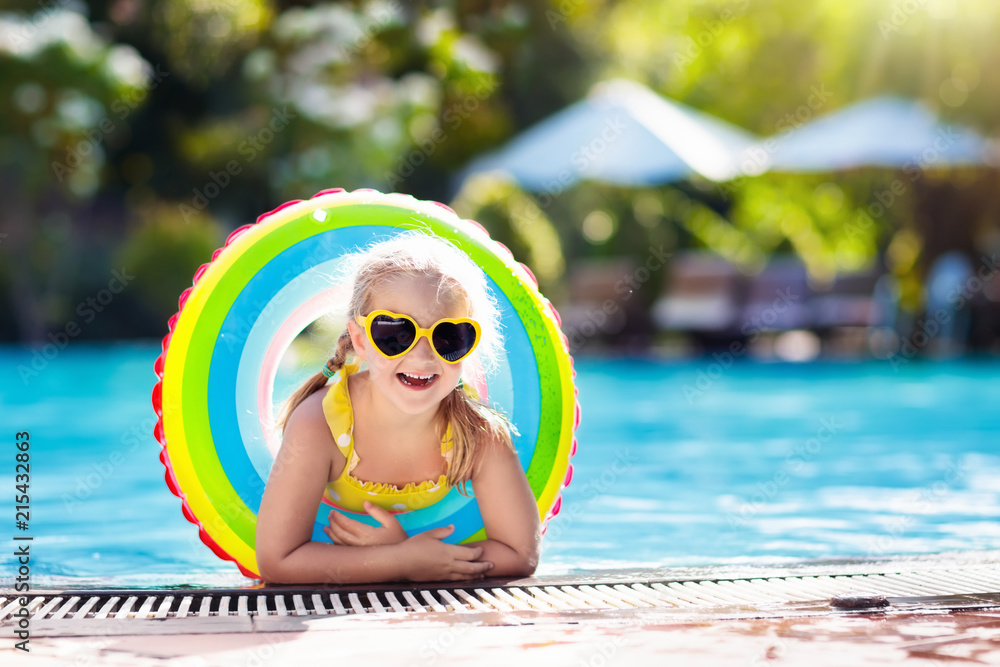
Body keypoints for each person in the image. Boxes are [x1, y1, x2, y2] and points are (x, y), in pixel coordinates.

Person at [256, 233, 541, 584]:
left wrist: (416, 557)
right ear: (360, 340)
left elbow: (521, 553)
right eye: (395, 334)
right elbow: (276, 560)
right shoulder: (321, 425)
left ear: (470, 347)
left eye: (448, 337)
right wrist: (401, 562)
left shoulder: (479, 435)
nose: (422, 357)